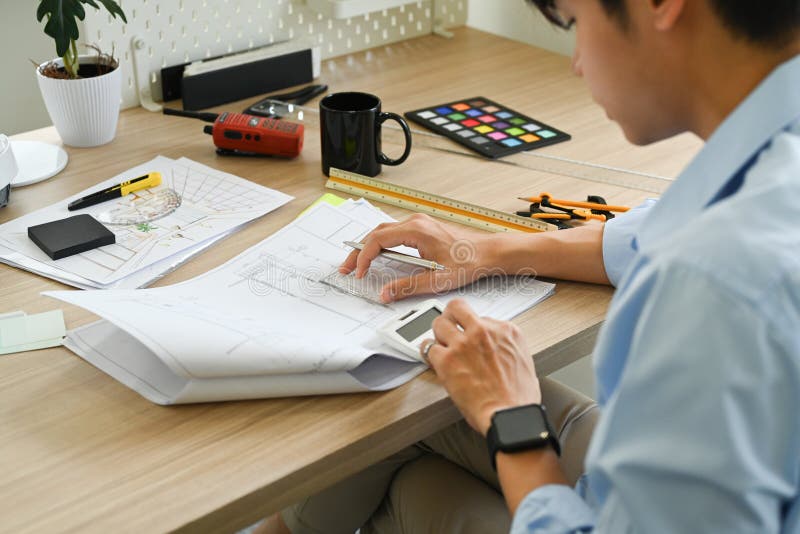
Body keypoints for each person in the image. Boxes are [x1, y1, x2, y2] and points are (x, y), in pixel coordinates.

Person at [259, 0, 800, 531]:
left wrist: (510, 418)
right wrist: (484, 251)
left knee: (407, 463)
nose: (577, 61)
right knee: (413, 439)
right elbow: (650, 233)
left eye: (573, 22)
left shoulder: (716, 278)